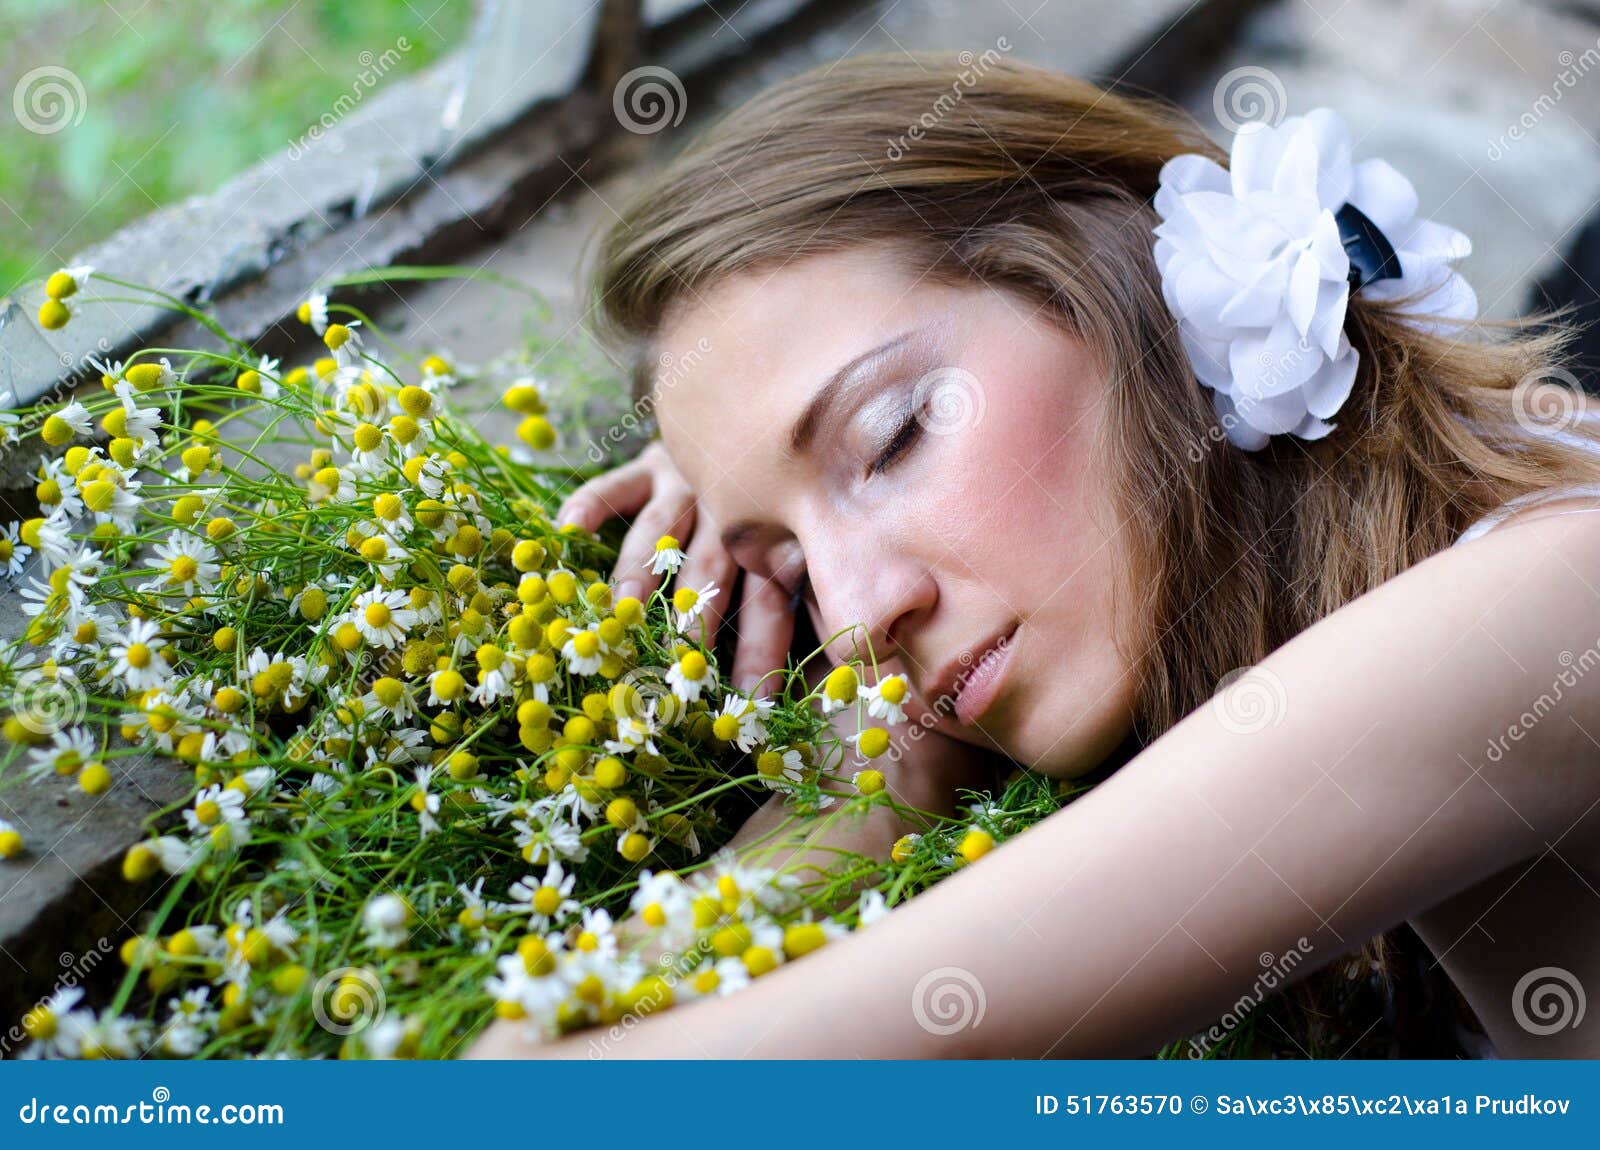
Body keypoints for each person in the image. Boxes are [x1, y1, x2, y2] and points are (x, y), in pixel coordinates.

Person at [468, 55, 1600, 1058]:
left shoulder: (1542, 606)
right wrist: (744, 445)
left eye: (894, 434)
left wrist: (863, 792)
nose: (857, 617)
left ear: (1114, 278)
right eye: (796, 570)